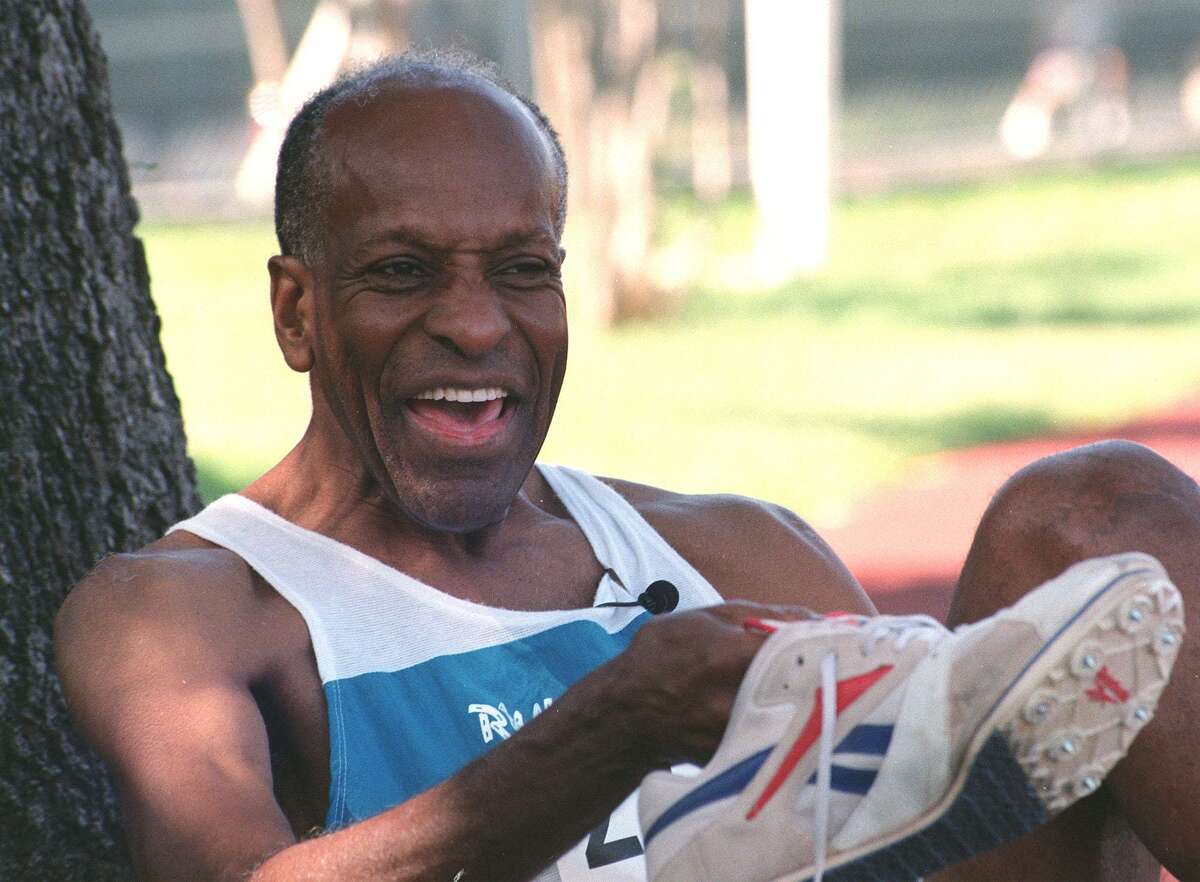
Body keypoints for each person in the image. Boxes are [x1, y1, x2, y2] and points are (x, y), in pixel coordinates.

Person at [54, 52, 1200, 882]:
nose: (476, 325)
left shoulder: (726, 547)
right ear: (297, 312)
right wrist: (616, 731)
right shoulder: (185, 613)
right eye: (403, 272)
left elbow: (951, 828)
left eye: (523, 269)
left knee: (1096, 512)